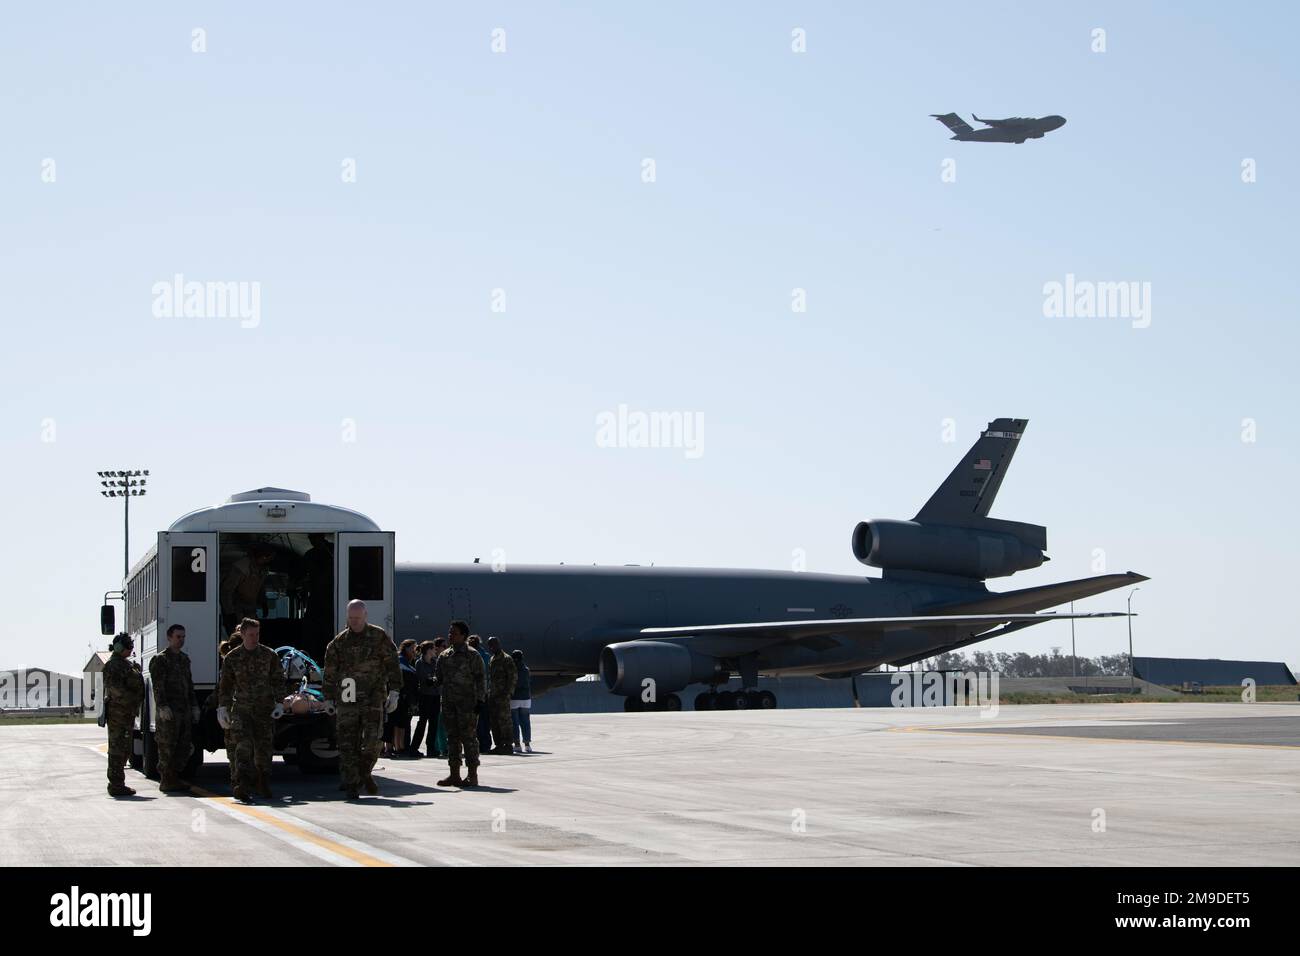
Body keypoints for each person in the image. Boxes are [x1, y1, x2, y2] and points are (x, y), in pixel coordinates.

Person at [323, 599, 401, 799]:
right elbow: (330, 672)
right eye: (351, 618)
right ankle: (351, 785)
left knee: (374, 741)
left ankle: (364, 772)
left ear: (365, 616)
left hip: (373, 698)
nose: (354, 622)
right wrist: (328, 698)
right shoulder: (338, 643)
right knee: (347, 744)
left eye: (357, 618)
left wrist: (395, 691)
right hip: (347, 700)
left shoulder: (379, 637)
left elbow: (392, 663)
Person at [217, 617, 282, 802]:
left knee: (264, 750)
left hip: (264, 710)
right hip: (242, 710)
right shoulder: (232, 658)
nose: (255, 638)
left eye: (257, 634)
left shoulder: (269, 655)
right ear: (243, 634)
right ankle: (242, 784)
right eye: (251, 634)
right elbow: (226, 686)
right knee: (242, 747)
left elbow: (277, 680)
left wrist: (280, 702)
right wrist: (222, 707)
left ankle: (263, 782)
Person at [433, 620, 485, 787]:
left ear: (463, 635)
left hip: (467, 705)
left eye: (454, 632)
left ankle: (472, 775)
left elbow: (481, 679)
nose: (450, 635)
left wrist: (480, 700)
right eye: (449, 632)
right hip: (448, 704)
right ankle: (454, 774)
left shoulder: (472, 655)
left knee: (469, 738)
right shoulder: (444, 655)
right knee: (452, 738)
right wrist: (431, 681)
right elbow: (439, 677)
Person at [148, 624, 199, 792]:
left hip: (183, 710)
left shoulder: (184, 659)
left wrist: (194, 706)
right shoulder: (160, 659)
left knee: (183, 746)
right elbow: (158, 685)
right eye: (178, 637)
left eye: (183, 637)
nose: (181, 640)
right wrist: (162, 706)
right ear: (169, 638)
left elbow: (189, 685)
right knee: (167, 745)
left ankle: (174, 777)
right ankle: (166, 779)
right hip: (169, 711)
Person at [103, 632, 144, 797]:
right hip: (118, 714)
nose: (130, 649)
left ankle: (118, 783)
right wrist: (133, 699)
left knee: (124, 748)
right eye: (128, 646)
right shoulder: (113, 665)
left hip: (126, 713)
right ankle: (116, 784)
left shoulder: (124, 664)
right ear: (120, 647)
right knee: (117, 749)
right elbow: (116, 690)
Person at [220, 542, 274, 634]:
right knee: (238, 638)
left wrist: (263, 602)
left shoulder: (261, 569)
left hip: (250, 610)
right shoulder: (241, 567)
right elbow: (226, 591)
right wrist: (230, 613)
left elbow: (260, 587)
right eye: (267, 558)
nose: (268, 561)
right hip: (236, 610)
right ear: (262, 556)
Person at [386, 639, 418, 757]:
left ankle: (400, 747)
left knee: (402, 724)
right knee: (392, 723)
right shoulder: (400, 660)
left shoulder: (410, 662)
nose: (415, 651)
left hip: (405, 698)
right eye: (412, 648)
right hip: (396, 695)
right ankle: (389, 748)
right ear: (405, 648)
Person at [486, 637, 517, 755]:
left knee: (505, 720)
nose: (492, 647)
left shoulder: (506, 659)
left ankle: (508, 744)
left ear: (498, 644)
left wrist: (508, 693)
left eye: (494, 645)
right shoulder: (492, 659)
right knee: (494, 721)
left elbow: (513, 677)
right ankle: (498, 744)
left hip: (502, 695)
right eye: (490, 645)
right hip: (493, 695)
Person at [410, 640, 441, 759]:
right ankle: (414, 748)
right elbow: (424, 680)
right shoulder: (420, 663)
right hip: (425, 696)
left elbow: (438, 678)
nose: (435, 651)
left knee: (434, 723)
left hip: (435, 695)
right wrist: (433, 680)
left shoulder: (436, 662)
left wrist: (433, 680)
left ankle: (431, 748)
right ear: (428, 650)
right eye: (433, 649)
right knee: (422, 722)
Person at [467, 634, 493, 752]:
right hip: (484, 692)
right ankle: (486, 744)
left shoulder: (470, 656)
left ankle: (478, 744)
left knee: (474, 722)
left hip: (473, 693)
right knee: (485, 720)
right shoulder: (487, 656)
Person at [510, 649, 533, 753]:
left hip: (514, 698)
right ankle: (527, 745)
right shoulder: (526, 669)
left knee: (515, 723)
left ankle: (517, 745)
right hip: (526, 699)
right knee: (525, 722)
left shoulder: (511, 669)